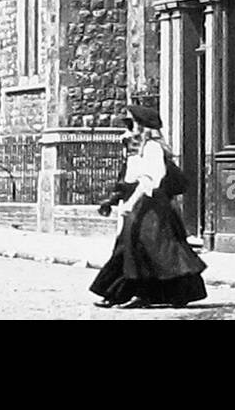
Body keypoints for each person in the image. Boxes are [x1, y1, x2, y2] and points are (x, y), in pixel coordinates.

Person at [89, 104, 207, 309]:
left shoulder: (153, 148)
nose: (128, 127)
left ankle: (148, 294)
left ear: (143, 125)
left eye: (131, 123)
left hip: (152, 207)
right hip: (140, 204)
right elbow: (129, 178)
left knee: (151, 250)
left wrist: (131, 204)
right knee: (129, 248)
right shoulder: (137, 148)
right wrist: (115, 200)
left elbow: (149, 180)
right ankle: (116, 293)